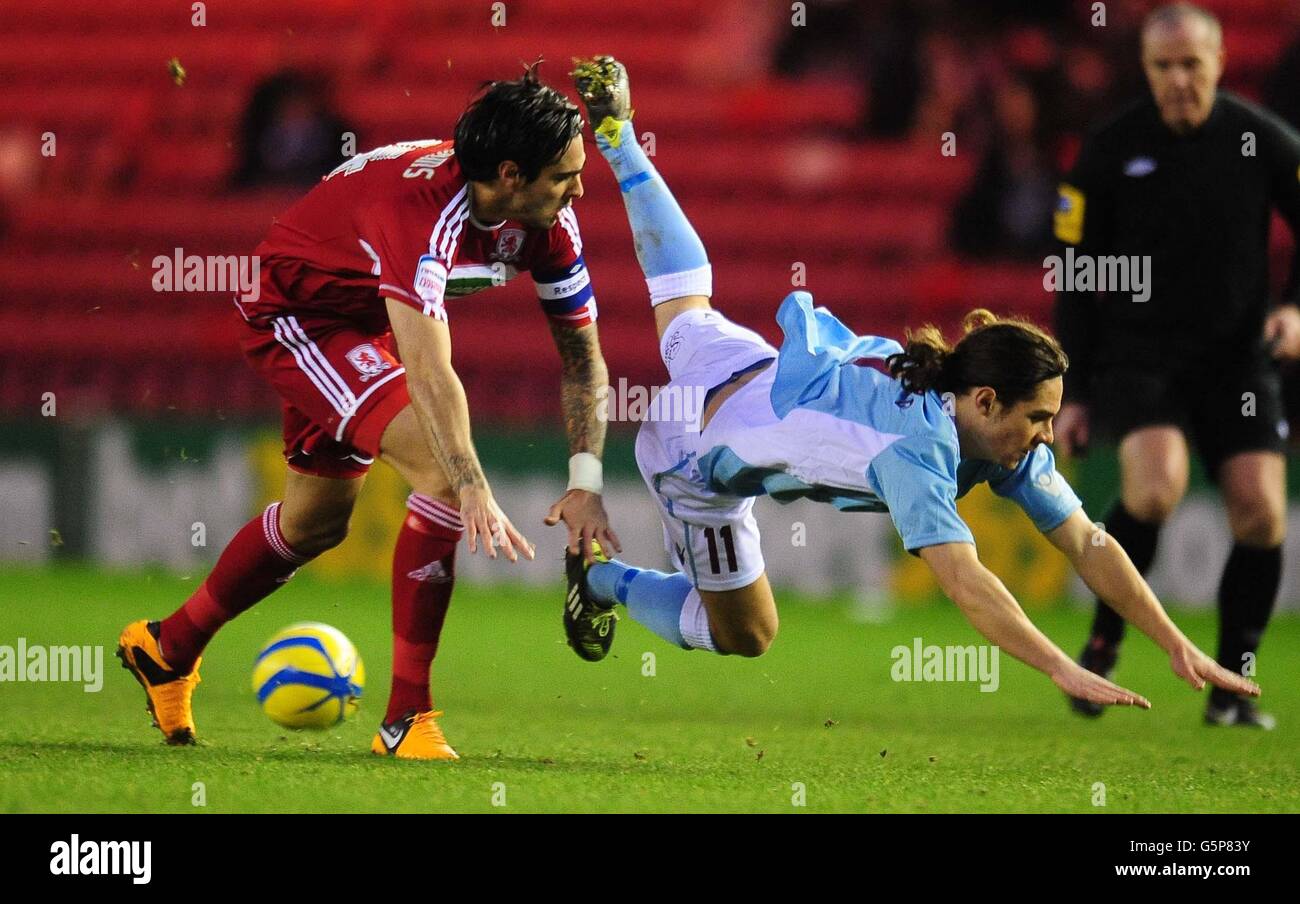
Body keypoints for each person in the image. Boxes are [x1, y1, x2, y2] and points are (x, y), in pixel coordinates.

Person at [558, 56, 1258, 714]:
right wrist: (1059, 667)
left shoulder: (987, 428)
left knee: (687, 302)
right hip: (691, 456)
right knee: (747, 634)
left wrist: (1176, 644)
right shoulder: (916, 452)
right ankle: (598, 579)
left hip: (747, 366)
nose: (1050, 435)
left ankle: (618, 136)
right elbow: (967, 582)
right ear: (986, 402)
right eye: (1039, 417)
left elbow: (1088, 543)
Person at [117, 63, 621, 759]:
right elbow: (429, 367)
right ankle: (406, 720)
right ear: (510, 174)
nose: (579, 189)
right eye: (565, 175)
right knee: (441, 472)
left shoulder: (547, 222)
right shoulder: (421, 216)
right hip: (298, 316)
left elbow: (583, 361)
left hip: (360, 324)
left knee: (313, 525)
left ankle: (165, 647)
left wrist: (587, 480)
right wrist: (470, 486)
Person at [1052, 3, 1300, 727]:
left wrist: (1295, 307)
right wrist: (1074, 391)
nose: (1180, 80)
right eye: (1164, 66)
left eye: (1193, 64)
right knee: (1155, 490)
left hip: (1236, 358)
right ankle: (1101, 645)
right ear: (1147, 70)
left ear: (1219, 62)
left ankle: (1233, 685)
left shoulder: (1261, 141)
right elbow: (1076, 273)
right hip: (1140, 357)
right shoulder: (1109, 149)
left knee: (1259, 511)